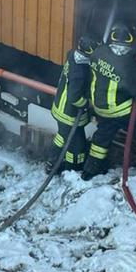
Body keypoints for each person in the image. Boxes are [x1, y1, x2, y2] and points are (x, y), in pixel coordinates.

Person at [81, 23, 136, 181]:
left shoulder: (99, 52)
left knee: (102, 137)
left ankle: (90, 169)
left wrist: (134, 64)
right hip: (121, 110)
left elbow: (115, 62)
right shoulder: (128, 67)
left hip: (100, 107)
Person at [50, 36, 98, 171]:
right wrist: (86, 104)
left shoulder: (73, 55)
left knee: (62, 136)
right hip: (69, 113)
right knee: (77, 146)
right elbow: (74, 97)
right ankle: (73, 168)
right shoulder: (79, 72)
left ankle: (52, 163)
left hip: (60, 107)